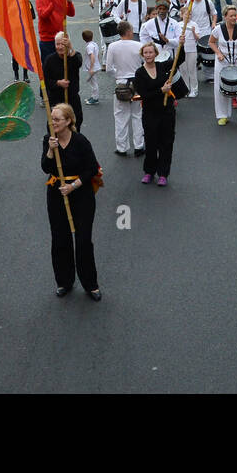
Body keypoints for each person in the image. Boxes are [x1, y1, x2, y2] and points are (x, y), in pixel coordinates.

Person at [42, 103, 101, 300]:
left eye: (57, 119)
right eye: (52, 119)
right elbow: (45, 167)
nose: (53, 123)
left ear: (69, 121)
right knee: (60, 239)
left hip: (80, 194)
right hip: (57, 193)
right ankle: (64, 281)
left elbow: (91, 168)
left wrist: (73, 186)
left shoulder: (80, 141)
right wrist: (50, 151)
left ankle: (90, 284)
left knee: (83, 241)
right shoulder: (48, 140)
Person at [133, 42, 178, 185]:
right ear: (142, 54)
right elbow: (144, 94)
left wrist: (182, 41)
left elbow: (178, 60)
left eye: (150, 52)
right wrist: (161, 91)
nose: (148, 55)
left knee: (166, 142)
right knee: (151, 142)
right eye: (145, 53)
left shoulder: (162, 67)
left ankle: (163, 174)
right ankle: (149, 172)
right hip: (150, 112)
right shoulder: (139, 73)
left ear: (156, 54)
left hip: (167, 111)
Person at [104, 21, 144, 156]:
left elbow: (109, 69)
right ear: (128, 31)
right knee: (137, 115)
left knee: (120, 116)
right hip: (137, 84)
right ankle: (139, 146)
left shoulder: (112, 47)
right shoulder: (139, 45)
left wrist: (119, 76)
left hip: (121, 85)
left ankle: (122, 147)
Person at [42, 32, 83, 130]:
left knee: (76, 123)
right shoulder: (49, 60)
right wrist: (58, 83)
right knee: (54, 126)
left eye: (62, 44)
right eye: (57, 44)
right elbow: (46, 81)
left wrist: (70, 48)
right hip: (57, 100)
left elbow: (78, 62)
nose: (59, 47)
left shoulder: (74, 56)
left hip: (72, 99)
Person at [81, 29, 102, 106]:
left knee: (94, 83)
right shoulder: (94, 44)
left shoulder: (89, 47)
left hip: (92, 68)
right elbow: (97, 55)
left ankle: (95, 98)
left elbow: (92, 56)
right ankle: (93, 96)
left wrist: (91, 68)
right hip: (96, 66)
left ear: (83, 38)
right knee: (92, 82)